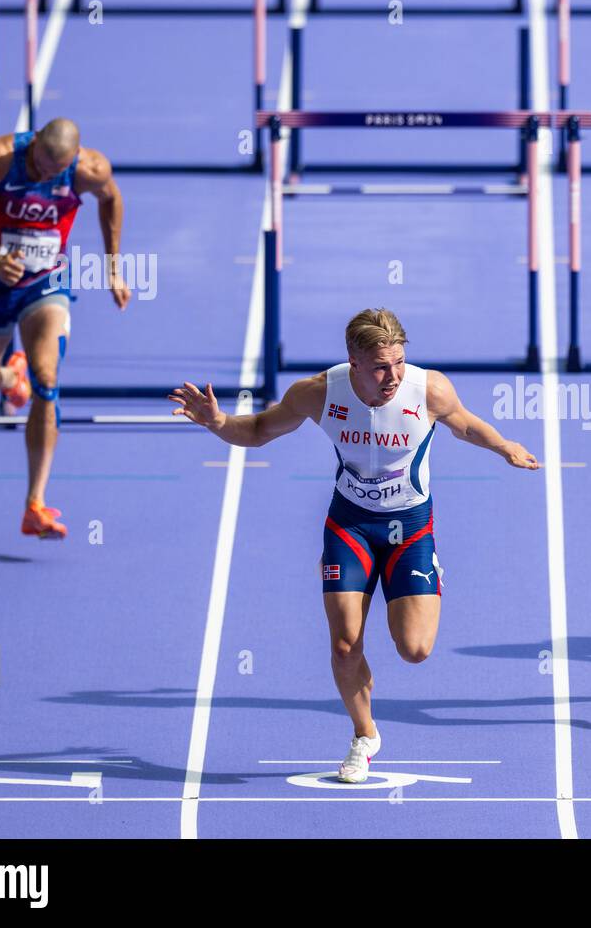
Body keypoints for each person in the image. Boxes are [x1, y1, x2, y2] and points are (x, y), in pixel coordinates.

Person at [169, 308, 539, 782]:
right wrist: (218, 421)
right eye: (382, 366)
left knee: (415, 649)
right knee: (345, 645)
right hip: (350, 526)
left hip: (409, 527)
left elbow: (464, 424)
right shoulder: (319, 393)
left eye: (400, 362)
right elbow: (261, 430)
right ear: (354, 362)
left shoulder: (428, 389)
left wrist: (504, 445)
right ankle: (364, 736)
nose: (393, 376)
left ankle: (427, 572)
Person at [0, 117, 129, 539]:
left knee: (48, 379)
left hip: (45, 285)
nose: (42, 175)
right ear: (34, 141)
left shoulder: (89, 169)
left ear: (72, 161)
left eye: (52, 171)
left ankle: (34, 504)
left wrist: (113, 266)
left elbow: (110, 199)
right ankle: (9, 375)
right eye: (38, 165)